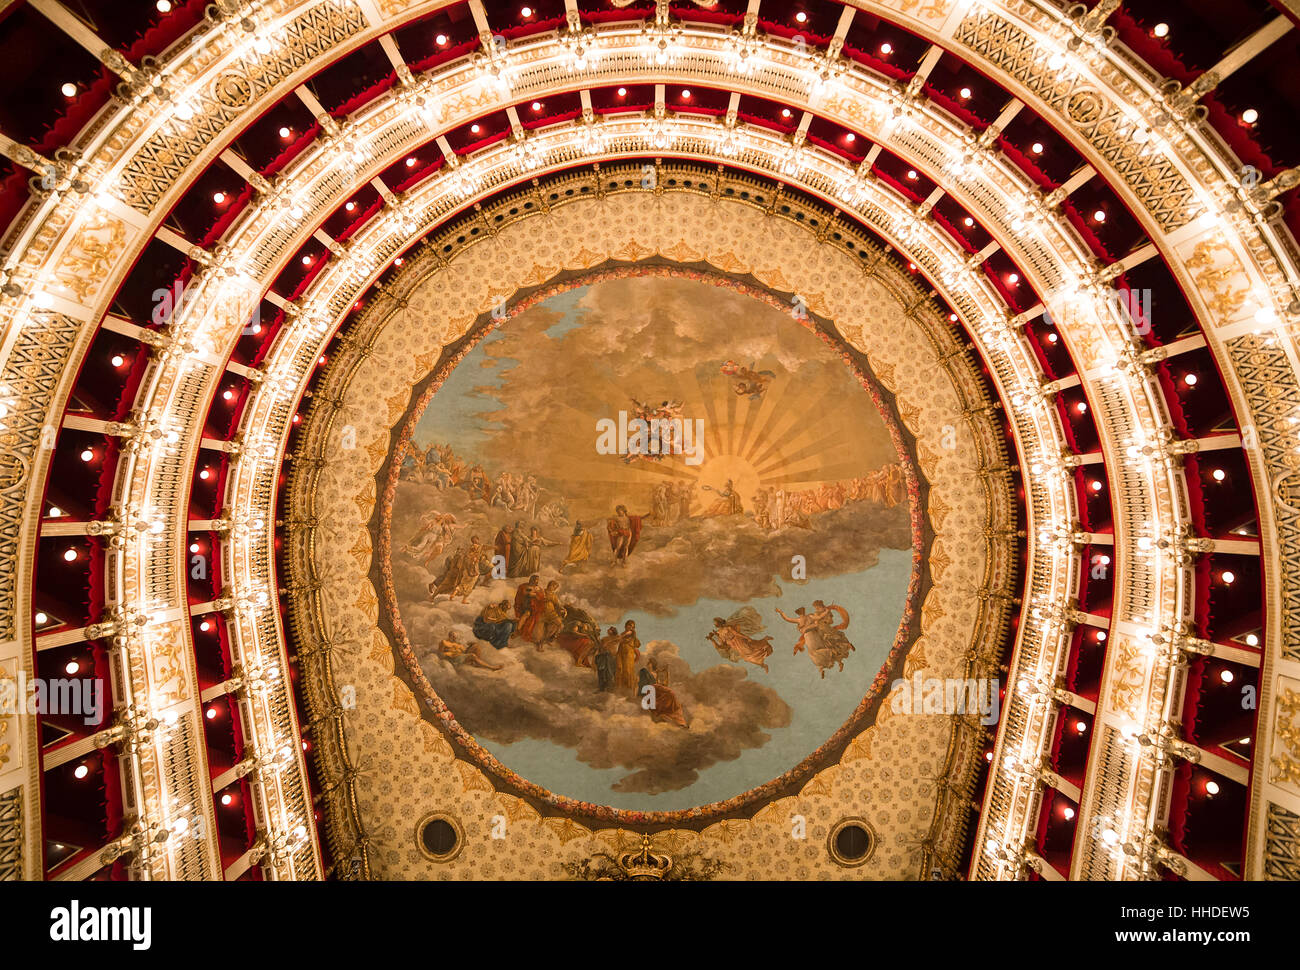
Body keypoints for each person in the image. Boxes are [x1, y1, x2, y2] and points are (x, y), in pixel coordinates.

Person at [638, 658, 687, 727]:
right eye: (648, 663)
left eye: (649, 663)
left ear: (652, 665)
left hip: (656, 689)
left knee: (671, 695)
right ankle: (676, 720)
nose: (648, 665)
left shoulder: (655, 673)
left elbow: (663, 682)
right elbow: (643, 685)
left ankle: (680, 722)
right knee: (670, 694)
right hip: (652, 689)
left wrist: (666, 672)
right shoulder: (645, 672)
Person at [438, 631, 503, 670]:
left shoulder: (456, 643)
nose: (455, 638)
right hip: (454, 658)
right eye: (453, 637)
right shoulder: (444, 642)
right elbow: (440, 653)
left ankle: (476, 663)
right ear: (449, 636)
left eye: (455, 637)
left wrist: (470, 645)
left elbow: (464, 650)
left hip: (461, 656)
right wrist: (448, 655)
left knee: (476, 646)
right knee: (472, 655)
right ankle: (492, 668)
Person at [613, 619, 642, 694]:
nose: (631, 628)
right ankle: (619, 688)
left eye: (632, 627)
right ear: (626, 626)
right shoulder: (622, 634)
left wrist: (633, 636)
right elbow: (617, 640)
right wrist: (624, 635)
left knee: (628, 671)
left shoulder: (633, 636)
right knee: (619, 669)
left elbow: (638, 645)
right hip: (621, 653)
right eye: (629, 625)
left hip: (629, 655)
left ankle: (628, 690)